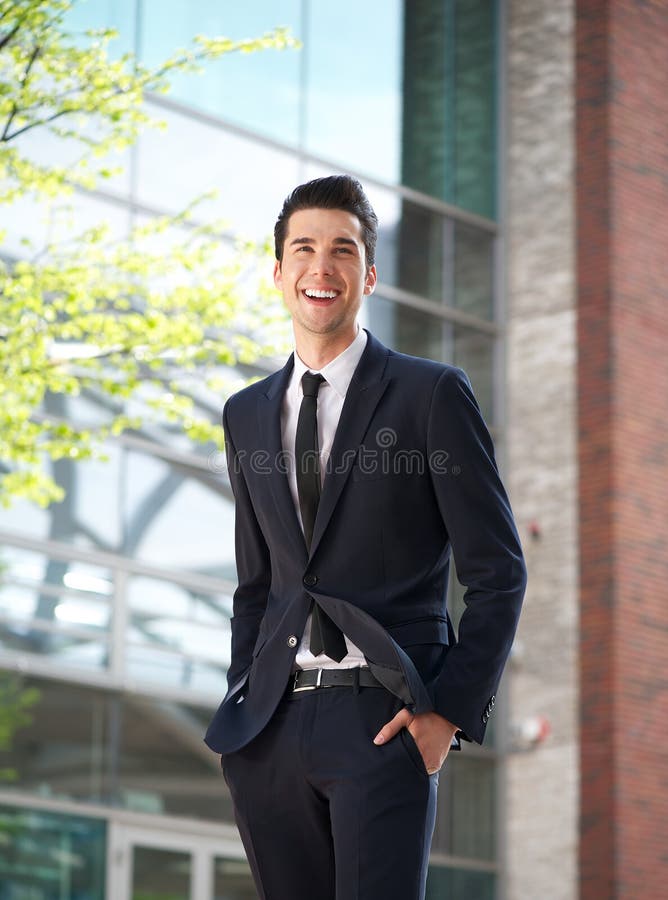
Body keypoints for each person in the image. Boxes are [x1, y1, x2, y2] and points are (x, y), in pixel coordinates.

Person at [205, 175, 526, 900]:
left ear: (369, 275)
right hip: (271, 729)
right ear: (278, 272)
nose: (322, 268)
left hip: (382, 722)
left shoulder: (430, 395)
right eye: (305, 249)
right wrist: (242, 704)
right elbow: (256, 584)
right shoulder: (246, 413)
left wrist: (447, 710)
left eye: (342, 251)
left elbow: (499, 572)